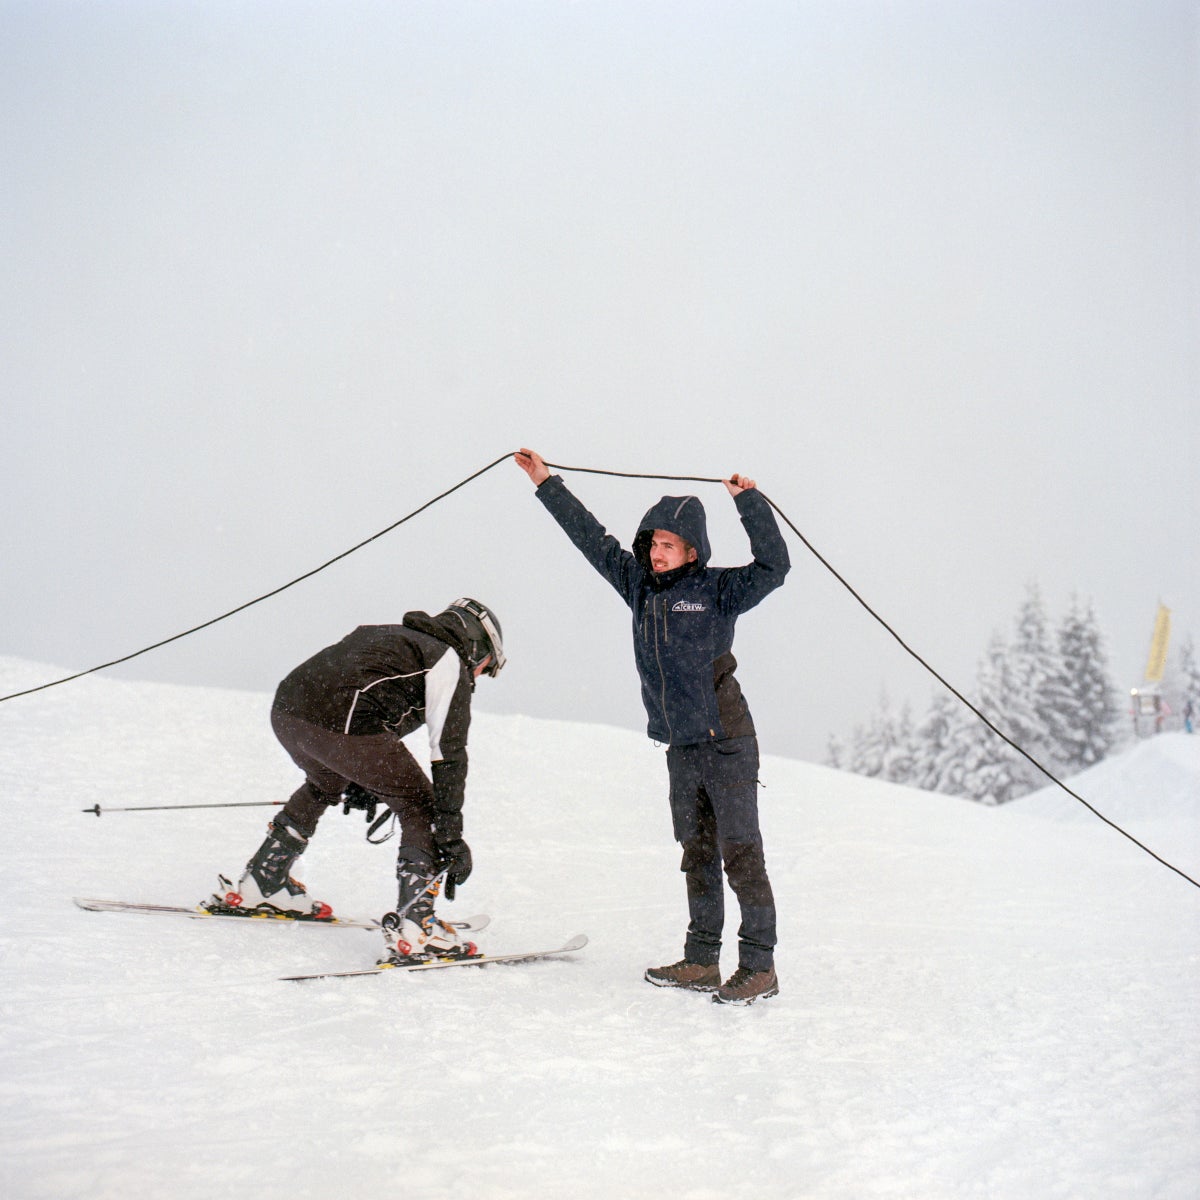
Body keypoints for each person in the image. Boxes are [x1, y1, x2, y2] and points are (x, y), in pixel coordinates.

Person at [514, 448, 790, 1006]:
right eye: (652, 544)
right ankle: (701, 960)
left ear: (691, 550)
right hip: (681, 744)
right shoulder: (639, 588)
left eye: (668, 545)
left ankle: (760, 967)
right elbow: (591, 539)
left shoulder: (718, 590)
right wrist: (546, 483)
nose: (657, 553)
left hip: (728, 740)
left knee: (740, 852)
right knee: (696, 851)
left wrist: (750, 503)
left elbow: (774, 567)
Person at [211, 598, 505, 964]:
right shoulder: (447, 659)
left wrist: (357, 773)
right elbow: (448, 752)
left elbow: (347, 685)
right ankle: (415, 927)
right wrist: (448, 830)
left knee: (325, 783)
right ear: (477, 647)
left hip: (287, 713)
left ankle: (264, 880)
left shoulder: (386, 635)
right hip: (343, 726)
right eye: (485, 668)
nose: (478, 676)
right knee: (420, 806)